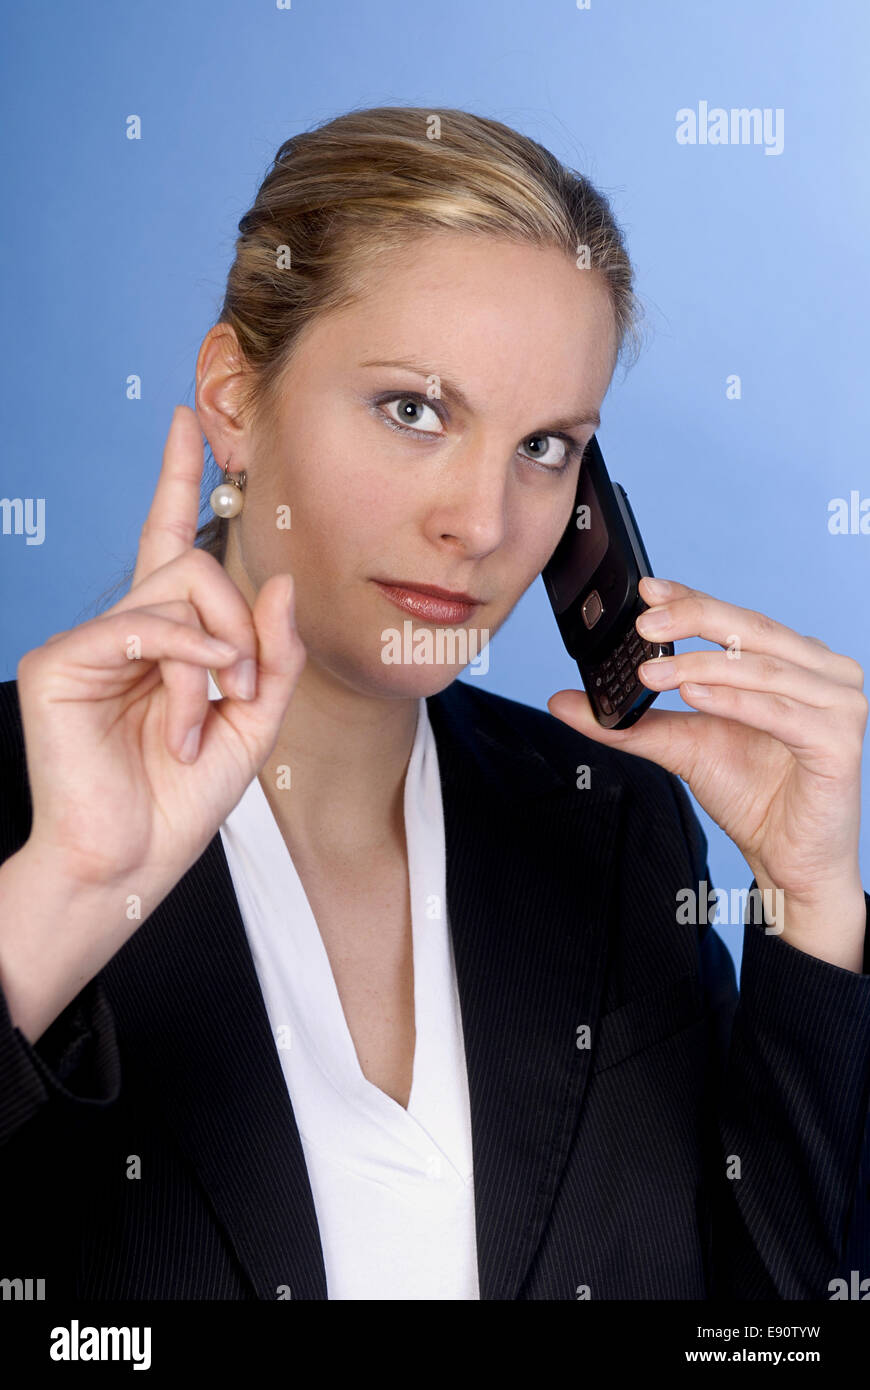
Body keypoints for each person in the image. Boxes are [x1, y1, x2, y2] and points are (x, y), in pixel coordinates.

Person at [0, 105, 868, 1302]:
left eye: (547, 446)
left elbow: (767, 1321)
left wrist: (813, 910)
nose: (484, 522)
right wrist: (60, 904)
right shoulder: (22, 818)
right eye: (415, 409)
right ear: (233, 398)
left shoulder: (609, 820)